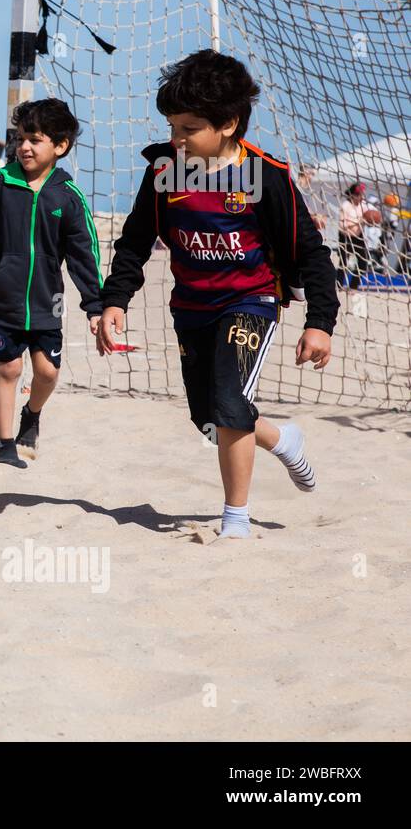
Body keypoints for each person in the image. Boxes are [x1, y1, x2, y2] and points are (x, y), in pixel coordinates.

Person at [96, 49, 339, 540]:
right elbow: (136, 240)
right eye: (171, 127)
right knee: (208, 417)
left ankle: (236, 520)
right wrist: (114, 300)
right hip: (190, 308)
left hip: (251, 301)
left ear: (227, 124)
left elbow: (311, 253)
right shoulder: (164, 173)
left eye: (188, 128)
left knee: (230, 402)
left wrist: (320, 322)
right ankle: (283, 439)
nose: (175, 139)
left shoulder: (265, 176)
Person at [0, 99, 103, 467]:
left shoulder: (68, 196)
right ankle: (5, 445)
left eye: (35, 139)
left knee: (47, 372)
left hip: (46, 302)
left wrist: (95, 306)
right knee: (9, 369)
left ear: (60, 146)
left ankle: (31, 414)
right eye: (21, 139)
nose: (24, 147)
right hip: (2, 298)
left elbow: (85, 254)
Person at [337, 182, 371, 288]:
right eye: (358, 194)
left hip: (358, 237)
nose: (360, 196)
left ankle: (354, 286)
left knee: (363, 262)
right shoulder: (345, 205)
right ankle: (339, 285)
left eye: (361, 194)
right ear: (352, 195)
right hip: (345, 236)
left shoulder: (363, 205)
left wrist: (372, 218)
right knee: (343, 262)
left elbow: (370, 217)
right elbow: (343, 225)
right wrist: (359, 221)